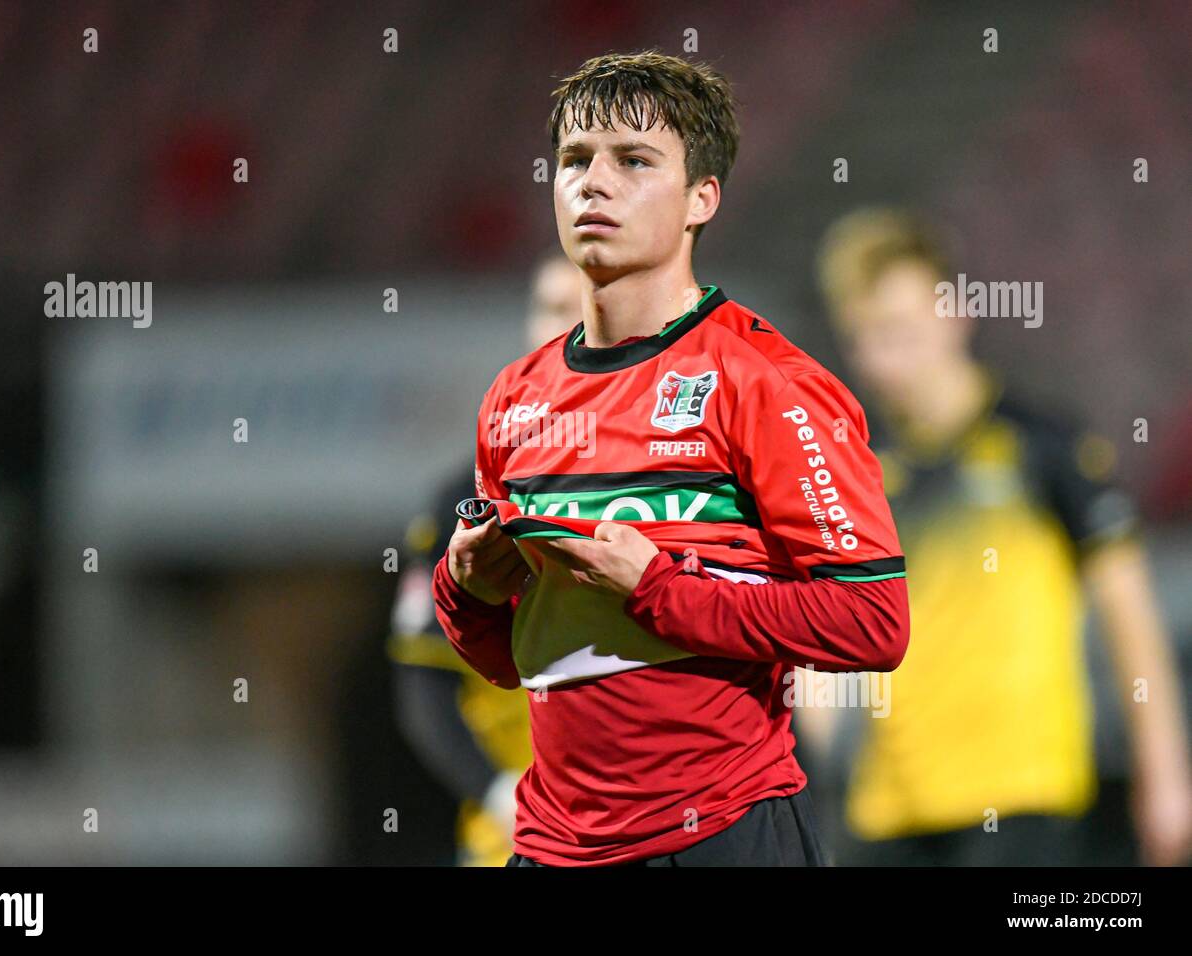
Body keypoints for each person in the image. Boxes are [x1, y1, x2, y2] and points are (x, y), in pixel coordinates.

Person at [431, 51, 910, 867]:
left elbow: (872, 623)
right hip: (553, 845)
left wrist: (660, 591)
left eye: (634, 160)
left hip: (725, 830)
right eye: (575, 160)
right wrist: (465, 592)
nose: (594, 181)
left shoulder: (767, 382)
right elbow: (511, 662)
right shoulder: (514, 399)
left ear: (702, 199)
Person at [810, 207, 1192, 866]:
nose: (889, 356)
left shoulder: (1044, 447)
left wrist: (1167, 777)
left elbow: (1131, 621)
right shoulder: (855, 476)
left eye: (902, 328)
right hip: (889, 811)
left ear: (955, 313)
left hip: (1023, 800)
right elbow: (824, 658)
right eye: (869, 336)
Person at [387, 255, 583, 866]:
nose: (564, 327)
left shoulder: (684, 481)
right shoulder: (465, 500)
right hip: (518, 846)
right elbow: (424, 683)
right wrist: (501, 796)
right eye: (550, 308)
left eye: (587, 307)